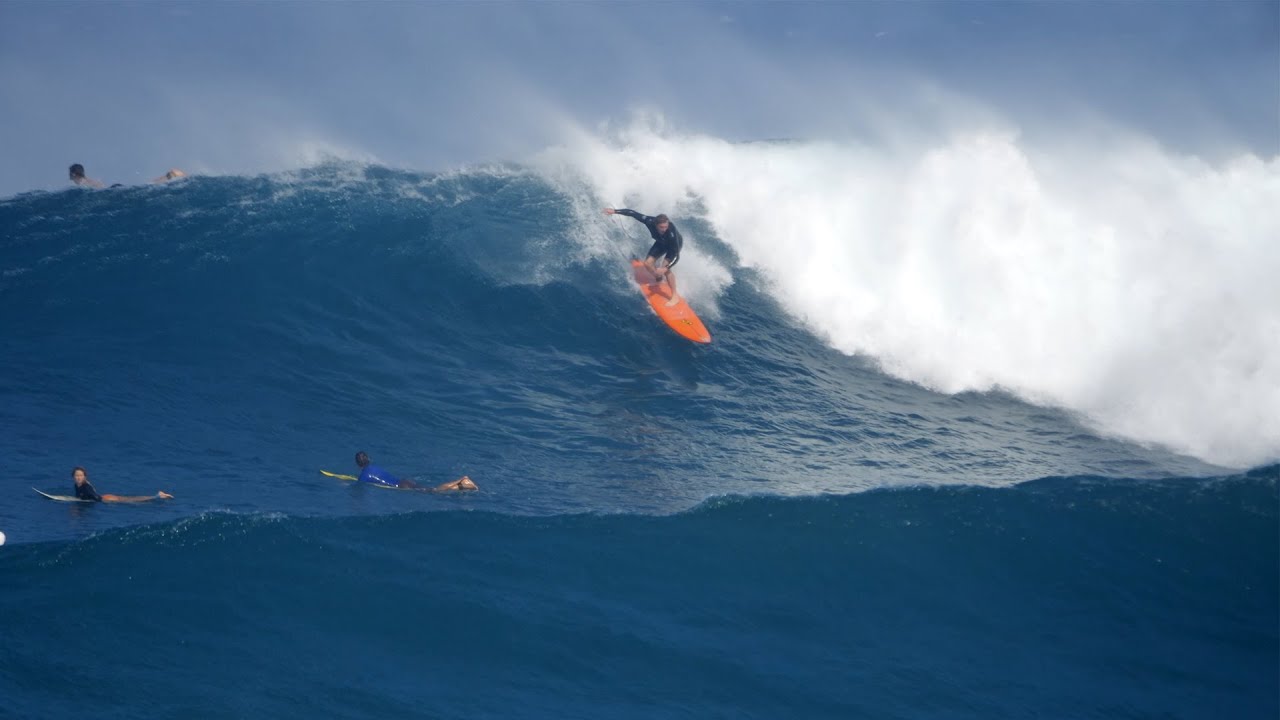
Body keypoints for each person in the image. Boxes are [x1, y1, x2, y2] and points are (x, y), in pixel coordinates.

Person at [604, 207, 685, 306]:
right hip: (661, 243)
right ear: (656, 225)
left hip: (673, 247)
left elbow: (677, 256)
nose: (664, 229)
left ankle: (674, 296)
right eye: (661, 227)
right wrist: (615, 211)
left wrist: (666, 268)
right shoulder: (649, 221)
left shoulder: (671, 234)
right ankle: (658, 277)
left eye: (666, 226)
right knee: (647, 263)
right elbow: (632, 213)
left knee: (665, 269)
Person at [354, 451, 477, 492]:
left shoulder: (363, 476)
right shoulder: (374, 468)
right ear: (368, 459)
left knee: (433, 491)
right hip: (403, 482)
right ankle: (462, 485)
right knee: (430, 490)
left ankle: (462, 480)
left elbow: (360, 484)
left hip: (401, 486)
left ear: (358, 464)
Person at [72, 466, 173, 503]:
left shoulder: (85, 486)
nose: (78, 477)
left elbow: (96, 498)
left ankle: (157, 496)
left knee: (131, 500)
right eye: (76, 475)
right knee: (129, 499)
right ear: (73, 477)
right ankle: (156, 496)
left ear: (85, 476)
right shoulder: (77, 485)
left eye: (80, 475)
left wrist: (106, 502)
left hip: (106, 499)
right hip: (105, 496)